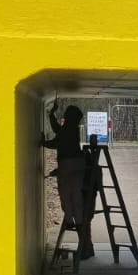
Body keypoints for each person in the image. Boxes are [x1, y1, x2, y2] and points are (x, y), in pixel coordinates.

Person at [42, 104, 90, 256]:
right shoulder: (73, 129)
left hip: (66, 165)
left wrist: (42, 142)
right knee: (76, 194)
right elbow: (58, 132)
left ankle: (69, 218)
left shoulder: (66, 129)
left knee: (66, 193)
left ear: (68, 117)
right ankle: (80, 224)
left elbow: (56, 140)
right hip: (78, 164)